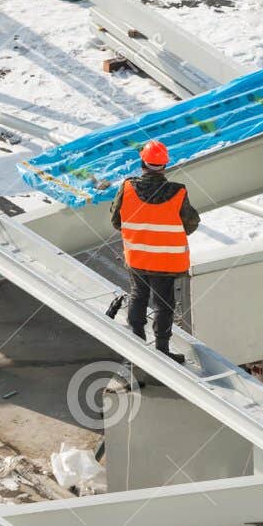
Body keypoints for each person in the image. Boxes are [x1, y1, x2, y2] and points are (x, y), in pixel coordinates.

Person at [111, 139, 198, 363]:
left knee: (138, 295)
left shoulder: (127, 188)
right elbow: (191, 223)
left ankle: (137, 341)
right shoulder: (178, 192)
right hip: (166, 261)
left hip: (138, 257)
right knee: (164, 304)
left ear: (142, 163)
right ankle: (162, 349)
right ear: (164, 165)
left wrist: (140, 233)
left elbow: (116, 220)